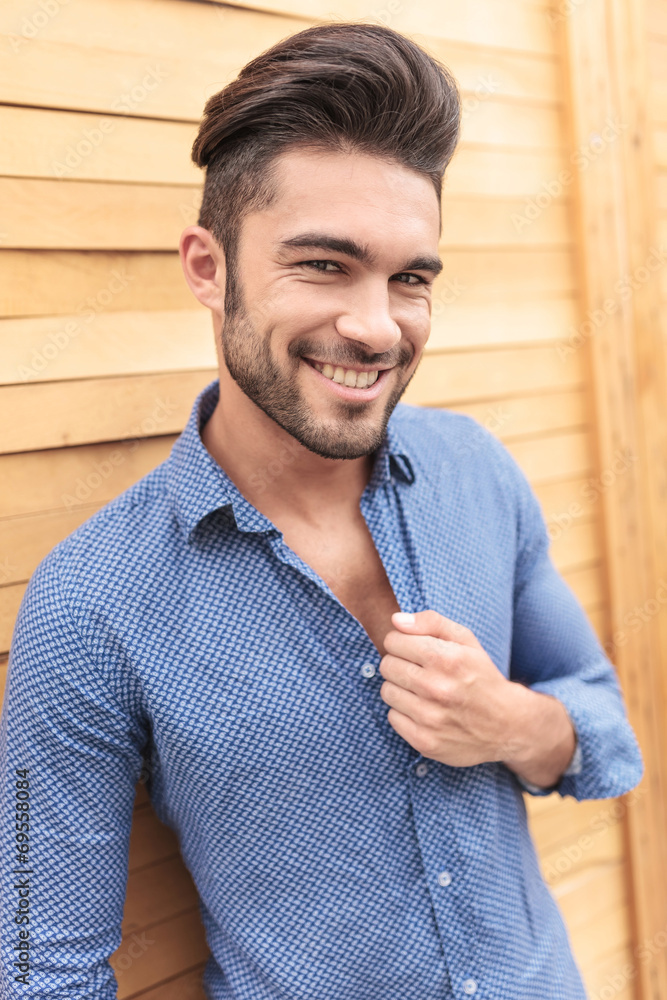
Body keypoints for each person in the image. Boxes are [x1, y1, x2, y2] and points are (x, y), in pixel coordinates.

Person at [0, 21, 643, 1000]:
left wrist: (511, 723)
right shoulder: (90, 605)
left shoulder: (477, 471)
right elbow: (41, 969)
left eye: (409, 278)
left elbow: (607, 738)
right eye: (324, 265)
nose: (376, 326)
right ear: (209, 268)